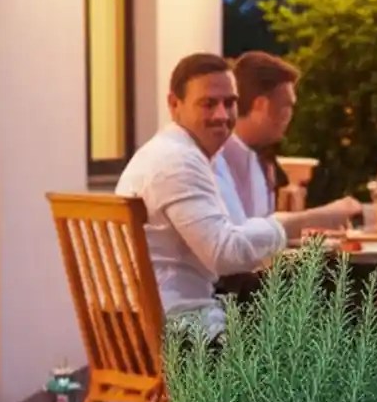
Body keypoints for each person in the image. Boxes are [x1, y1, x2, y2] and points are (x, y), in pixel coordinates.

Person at [115, 53, 350, 341]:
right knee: (329, 331)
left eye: (230, 102)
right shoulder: (177, 162)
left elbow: (232, 237)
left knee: (315, 311)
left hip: (142, 325)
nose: (223, 115)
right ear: (174, 105)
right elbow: (226, 254)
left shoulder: (176, 153)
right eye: (208, 103)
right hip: (182, 335)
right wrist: (308, 219)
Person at [214, 51, 358, 226]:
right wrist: (324, 216)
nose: (291, 116)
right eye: (287, 106)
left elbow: (264, 234)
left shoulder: (258, 158)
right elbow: (244, 234)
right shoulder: (217, 161)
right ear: (261, 105)